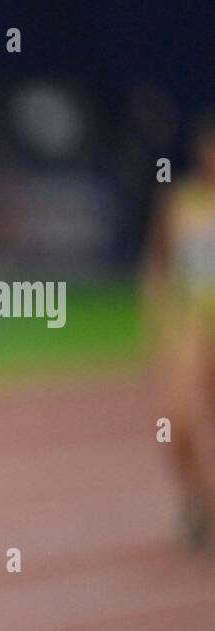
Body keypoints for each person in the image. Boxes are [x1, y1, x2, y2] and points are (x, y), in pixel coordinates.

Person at [142, 114, 215, 552]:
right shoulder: (180, 202)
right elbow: (158, 263)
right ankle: (198, 500)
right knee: (176, 420)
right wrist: (155, 319)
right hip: (191, 324)